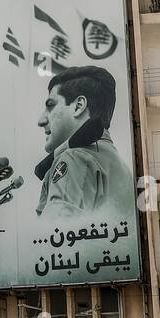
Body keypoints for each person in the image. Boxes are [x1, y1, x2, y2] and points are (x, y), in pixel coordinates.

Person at [33, 65, 131, 219]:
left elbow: (56, 228)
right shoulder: (122, 169)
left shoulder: (74, 158)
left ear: (78, 106)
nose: (41, 120)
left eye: (51, 106)